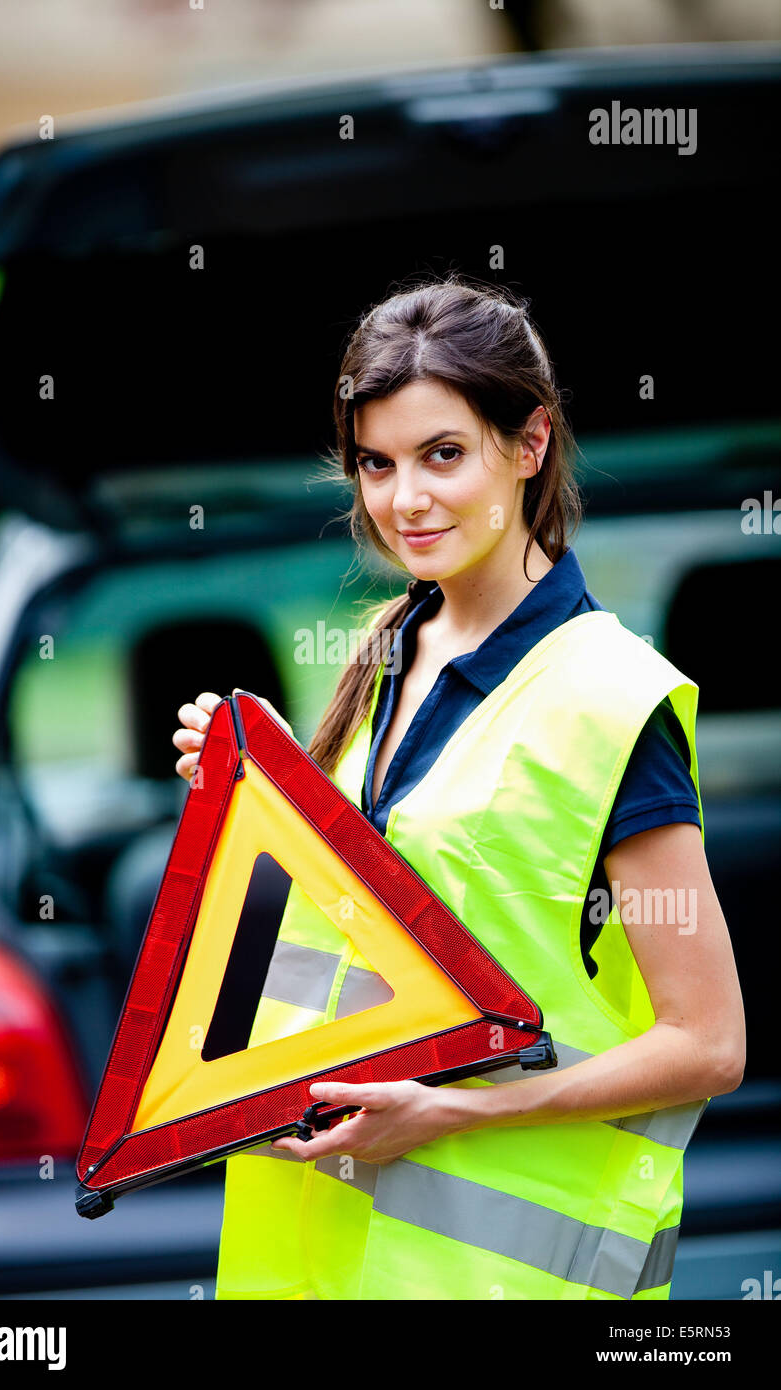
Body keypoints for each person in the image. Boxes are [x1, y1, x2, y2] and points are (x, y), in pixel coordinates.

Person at [172, 274, 745, 1301]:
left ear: (528, 444)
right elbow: (339, 946)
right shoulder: (381, 651)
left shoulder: (610, 701)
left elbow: (705, 1043)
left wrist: (450, 1113)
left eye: (442, 454)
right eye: (375, 464)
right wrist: (248, 805)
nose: (404, 500)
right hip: (314, 1261)